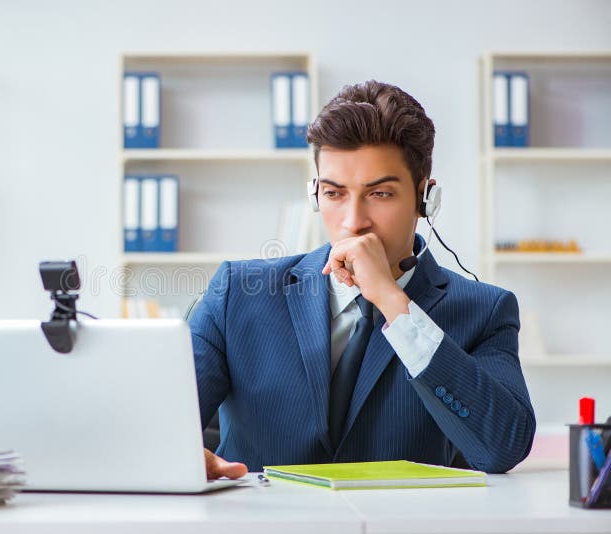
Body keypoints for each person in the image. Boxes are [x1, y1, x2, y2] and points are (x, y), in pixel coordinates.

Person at [191, 80, 535, 480]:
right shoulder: (237, 294)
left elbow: (502, 447)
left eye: (380, 194)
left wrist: (394, 303)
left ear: (425, 199)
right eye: (334, 194)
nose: (354, 222)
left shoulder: (485, 312)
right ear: (315, 195)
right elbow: (154, 427)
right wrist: (183, 458)